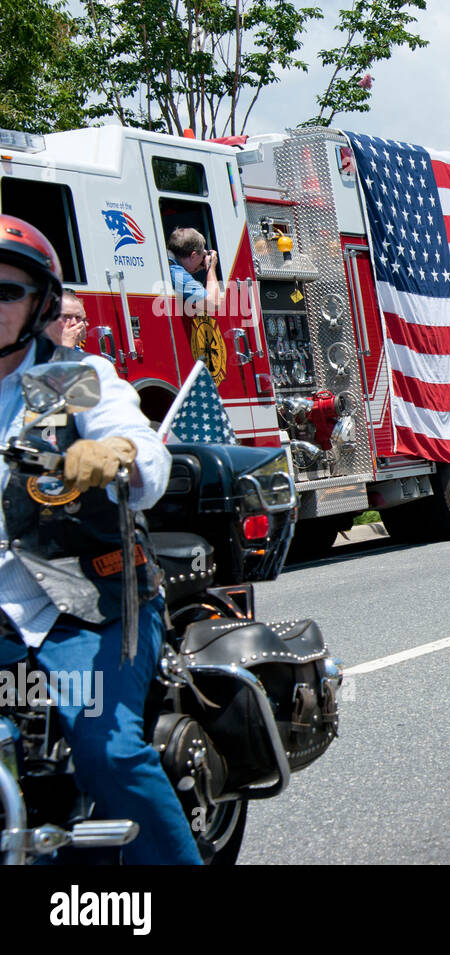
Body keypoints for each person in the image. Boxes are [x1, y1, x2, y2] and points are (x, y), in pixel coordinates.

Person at [0, 215, 200, 864]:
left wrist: (117, 452)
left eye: (5, 291)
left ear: (41, 304)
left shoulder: (68, 378)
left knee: (107, 750)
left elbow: (147, 454)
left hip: (91, 605)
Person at [166, 227, 221, 316]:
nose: (202, 260)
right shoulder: (177, 274)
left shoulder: (168, 264)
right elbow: (213, 303)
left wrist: (192, 267)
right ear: (193, 255)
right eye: (201, 257)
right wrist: (210, 267)